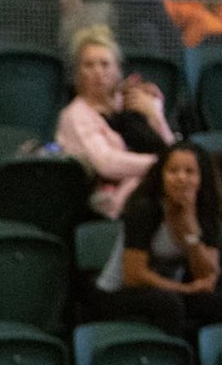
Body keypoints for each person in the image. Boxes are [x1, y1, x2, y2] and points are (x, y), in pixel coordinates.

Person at [90, 139, 222, 340]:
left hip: (168, 291)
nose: (181, 178)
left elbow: (207, 276)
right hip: (118, 293)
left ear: (202, 178)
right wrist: (183, 289)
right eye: (173, 171)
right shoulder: (145, 209)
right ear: (161, 176)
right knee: (169, 305)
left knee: (219, 304)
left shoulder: (206, 213)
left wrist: (191, 229)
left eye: (189, 172)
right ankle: (170, 363)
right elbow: (133, 275)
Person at [56, 26, 175, 220]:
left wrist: (156, 116)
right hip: (107, 205)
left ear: (118, 70)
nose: (98, 72)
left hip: (152, 188)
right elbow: (106, 163)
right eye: (89, 65)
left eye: (105, 64)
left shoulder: (131, 104)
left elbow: (169, 146)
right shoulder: (74, 116)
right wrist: (165, 164)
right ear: (78, 73)